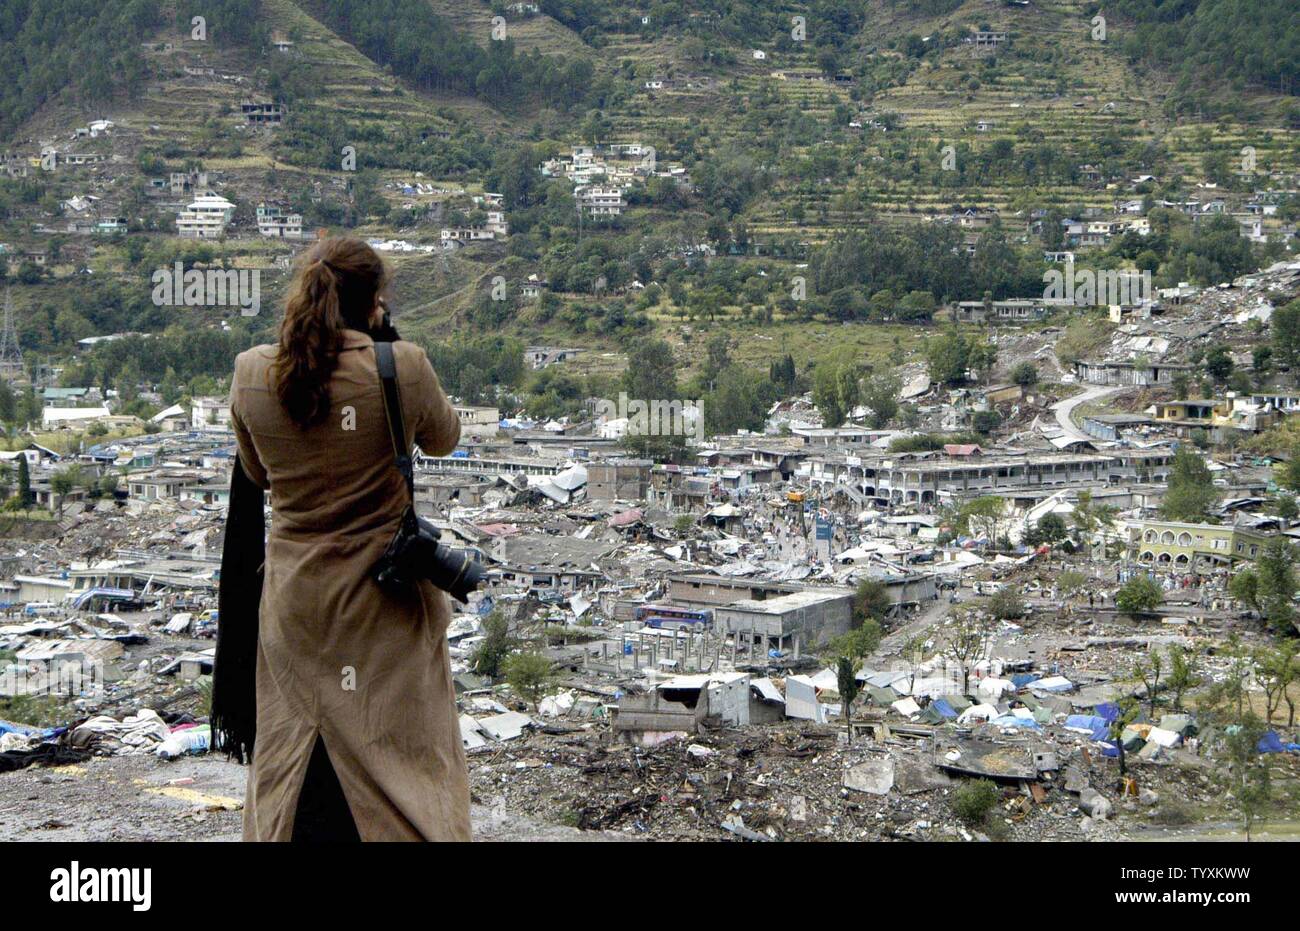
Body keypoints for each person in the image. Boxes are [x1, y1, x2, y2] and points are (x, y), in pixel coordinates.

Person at [226, 237, 469, 841]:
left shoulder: (254, 372)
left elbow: (257, 474)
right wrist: (384, 348)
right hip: (380, 601)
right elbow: (443, 439)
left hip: (295, 600)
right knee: (399, 746)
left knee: (296, 735)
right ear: (375, 299)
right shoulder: (401, 366)